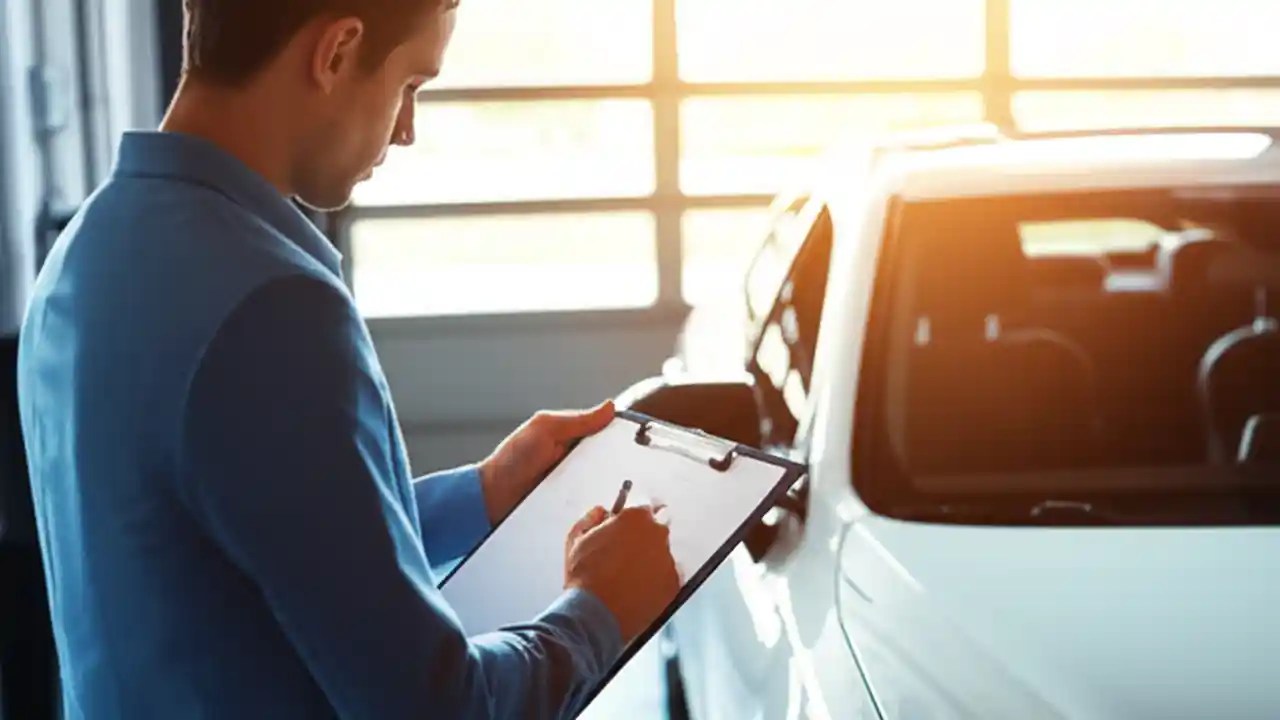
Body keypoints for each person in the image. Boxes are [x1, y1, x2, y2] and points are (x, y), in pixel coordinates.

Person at [15, 0, 680, 717]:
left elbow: (251, 555)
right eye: (411, 85)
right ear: (335, 52)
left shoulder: (86, 252)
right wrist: (598, 611)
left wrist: (483, 494)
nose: (407, 130)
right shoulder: (271, 307)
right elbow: (436, 707)